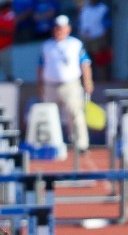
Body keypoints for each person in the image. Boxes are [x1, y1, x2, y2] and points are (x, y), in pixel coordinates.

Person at [39, 15, 91, 156]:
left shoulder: (76, 44)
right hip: (50, 85)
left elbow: (85, 63)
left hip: (71, 85)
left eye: (61, 28)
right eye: (56, 27)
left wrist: (88, 81)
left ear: (68, 29)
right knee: (49, 115)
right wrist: (40, 85)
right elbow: (41, 66)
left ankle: (81, 144)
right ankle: (50, 143)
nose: (59, 30)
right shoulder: (47, 46)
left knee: (75, 114)